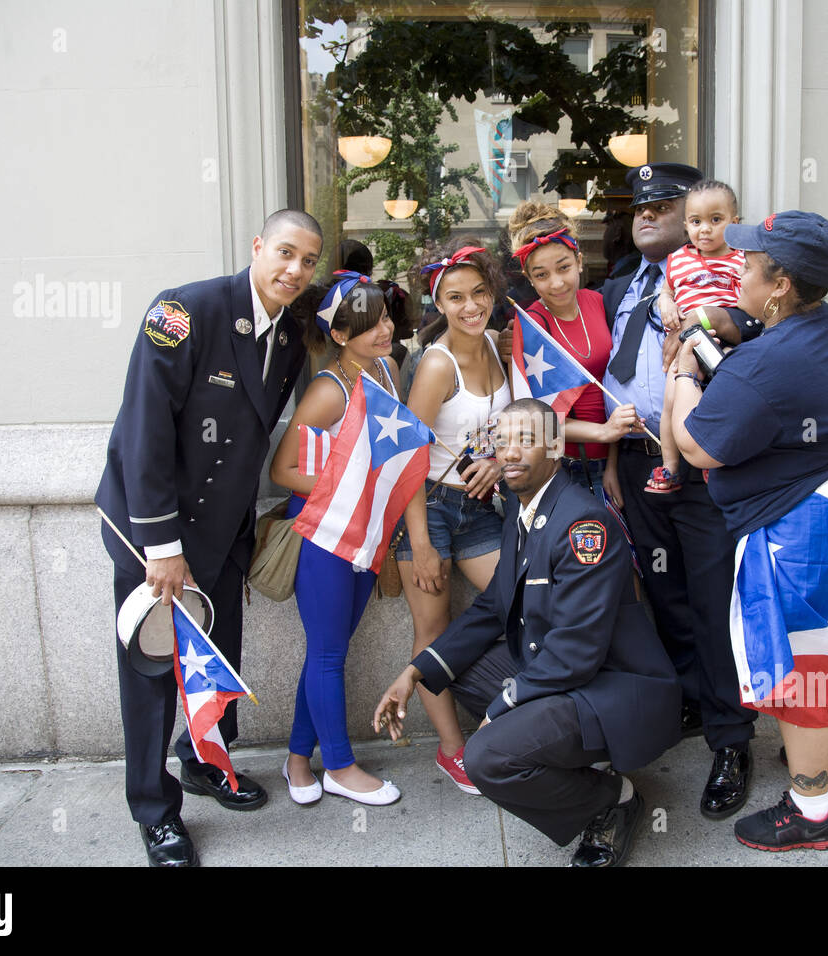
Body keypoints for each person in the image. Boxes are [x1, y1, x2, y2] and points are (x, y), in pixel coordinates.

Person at [95, 209, 323, 866]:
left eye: (307, 262)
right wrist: (161, 549)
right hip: (157, 532)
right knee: (153, 673)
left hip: (223, 531)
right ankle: (153, 809)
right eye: (285, 253)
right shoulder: (184, 312)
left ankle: (204, 761)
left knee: (216, 663)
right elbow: (144, 433)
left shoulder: (288, 332)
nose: (294, 270)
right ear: (257, 247)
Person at [669, 210, 828, 851]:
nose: (737, 268)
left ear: (780, 285)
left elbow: (695, 446)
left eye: (749, 264)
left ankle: (812, 809)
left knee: (805, 667)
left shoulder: (763, 366)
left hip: (813, 522)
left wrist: (687, 374)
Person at [373, 399, 681, 866]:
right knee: (458, 667)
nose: (510, 453)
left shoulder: (582, 523)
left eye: (526, 440)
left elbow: (576, 650)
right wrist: (413, 673)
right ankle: (568, 758)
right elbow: (492, 609)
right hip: (566, 675)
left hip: (612, 686)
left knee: (487, 758)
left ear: (555, 447)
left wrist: (501, 712)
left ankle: (614, 797)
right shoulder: (524, 511)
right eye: (503, 440)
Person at [598, 162, 760, 823]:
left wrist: (713, 316)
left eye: (666, 204)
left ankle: (732, 739)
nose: (647, 213)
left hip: (705, 464)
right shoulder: (618, 287)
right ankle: (694, 698)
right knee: (665, 593)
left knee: (713, 597)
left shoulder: (742, 278)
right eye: (641, 205)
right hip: (638, 464)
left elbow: (757, 345)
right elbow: (609, 375)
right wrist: (611, 458)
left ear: (705, 219)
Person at [268, 271, 402, 807]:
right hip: (324, 533)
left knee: (331, 650)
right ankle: (340, 767)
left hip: (366, 532)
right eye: (369, 325)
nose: (385, 330)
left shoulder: (388, 371)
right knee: (326, 654)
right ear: (341, 334)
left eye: (386, 317)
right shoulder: (328, 390)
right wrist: (349, 489)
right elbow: (283, 469)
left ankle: (299, 758)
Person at [394, 241, 511, 795]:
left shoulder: (496, 343)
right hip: (430, 509)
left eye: (479, 292)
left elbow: (506, 426)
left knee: (524, 605)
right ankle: (452, 751)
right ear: (437, 300)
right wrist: (419, 541)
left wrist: (494, 459)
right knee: (432, 632)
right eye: (455, 297)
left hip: (482, 507)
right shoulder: (437, 363)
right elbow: (407, 458)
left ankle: (511, 721)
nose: (470, 306)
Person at [505, 201, 641, 500]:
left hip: (613, 463)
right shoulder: (531, 324)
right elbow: (532, 416)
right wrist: (603, 432)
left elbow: (614, 388)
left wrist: (612, 462)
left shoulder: (598, 302)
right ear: (529, 279)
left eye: (564, 267)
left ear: (579, 261)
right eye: (541, 275)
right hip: (565, 468)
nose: (556, 283)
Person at [647, 180, 744, 494]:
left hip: (723, 343)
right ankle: (671, 467)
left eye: (716, 220)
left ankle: (711, 461)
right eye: (696, 221)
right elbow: (667, 290)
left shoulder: (741, 260)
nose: (705, 229)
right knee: (672, 401)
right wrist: (665, 302)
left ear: (735, 223)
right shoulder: (678, 259)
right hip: (686, 345)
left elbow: (745, 307)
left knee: (721, 401)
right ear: (686, 225)